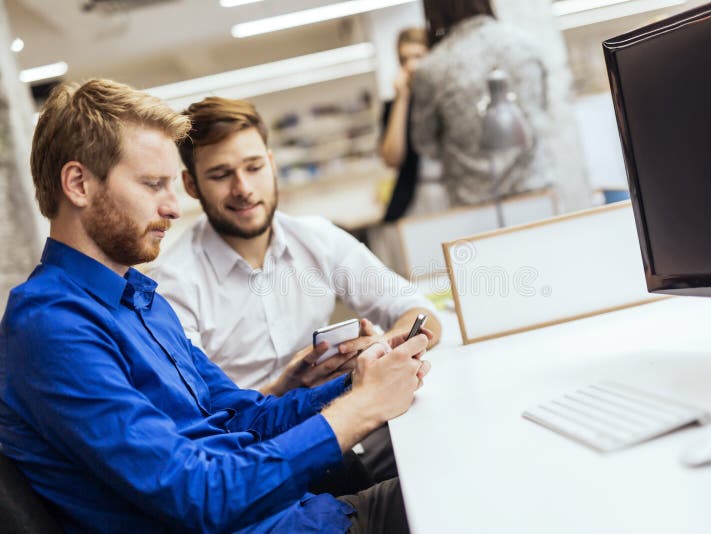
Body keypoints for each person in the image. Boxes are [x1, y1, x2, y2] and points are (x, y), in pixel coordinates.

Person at [0, 78, 430, 533]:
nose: (173, 207)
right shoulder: (52, 328)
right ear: (78, 184)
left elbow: (244, 417)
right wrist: (363, 406)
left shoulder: (140, 301)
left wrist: (361, 380)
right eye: (153, 185)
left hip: (300, 515)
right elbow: (200, 494)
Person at [149, 96, 441, 481]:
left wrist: (380, 350)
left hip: (348, 432)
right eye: (220, 175)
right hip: (260, 463)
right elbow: (202, 422)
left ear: (271, 164)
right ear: (191, 185)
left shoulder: (315, 237)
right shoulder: (173, 284)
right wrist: (281, 389)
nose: (243, 188)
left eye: (254, 167)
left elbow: (422, 312)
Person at [411, 0, 561, 207]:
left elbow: (426, 145)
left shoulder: (431, 69)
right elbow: (543, 111)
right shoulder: (526, 45)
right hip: (538, 191)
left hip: (473, 204)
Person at [379, 27, 446, 222]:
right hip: (416, 199)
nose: (411, 66)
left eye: (418, 56)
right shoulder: (394, 106)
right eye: (404, 60)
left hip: (453, 191)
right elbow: (392, 159)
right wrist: (402, 99)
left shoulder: (448, 96)